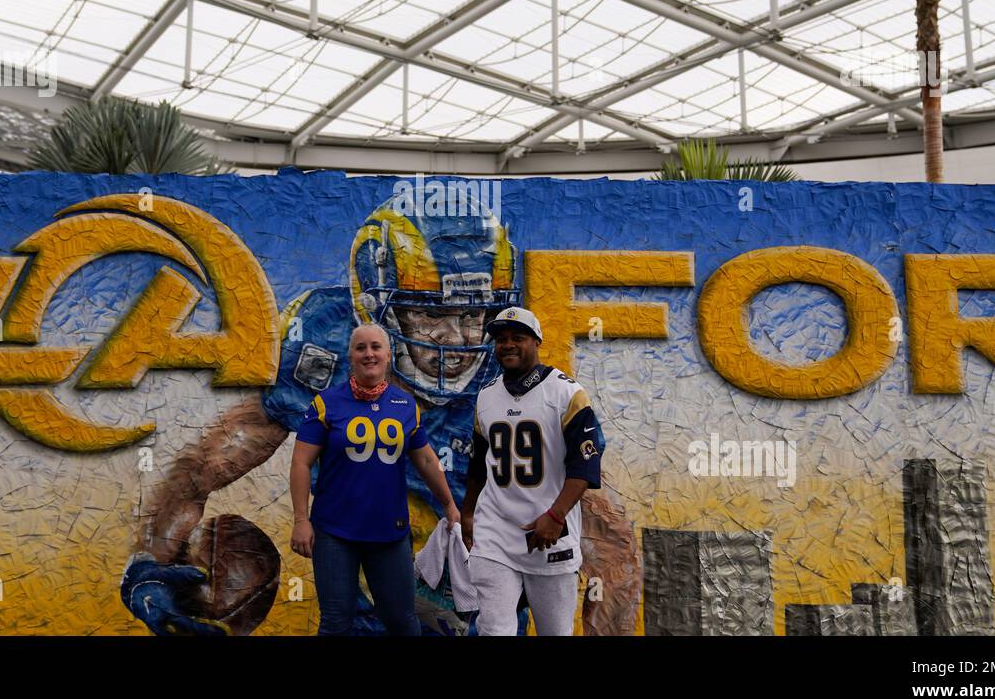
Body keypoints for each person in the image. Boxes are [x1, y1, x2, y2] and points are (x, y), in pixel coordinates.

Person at [121, 194, 639, 636]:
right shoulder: (325, 351)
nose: (457, 340)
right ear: (374, 309)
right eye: (430, 315)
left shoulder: (512, 382)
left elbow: (610, 543)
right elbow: (205, 465)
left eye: (471, 315)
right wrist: (147, 564)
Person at [289, 323, 460, 635]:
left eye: (376, 347)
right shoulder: (326, 404)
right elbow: (301, 462)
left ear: (388, 355)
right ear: (351, 356)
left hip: (389, 532)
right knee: (336, 622)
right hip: (335, 532)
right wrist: (301, 519)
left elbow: (424, 459)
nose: (369, 354)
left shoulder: (406, 404)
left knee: (403, 622)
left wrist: (449, 504)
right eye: (361, 348)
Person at [462, 307, 606, 636]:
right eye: (501, 339)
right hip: (495, 532)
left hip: (549, 532)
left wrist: (555, 517)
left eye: (518, 337)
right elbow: (478, 463)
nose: (508, 345)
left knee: (554, 631)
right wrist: (467, 513)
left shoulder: (567, 394)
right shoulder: (486, 396)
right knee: (494, 629)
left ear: (537, 341)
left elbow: (584, 466)